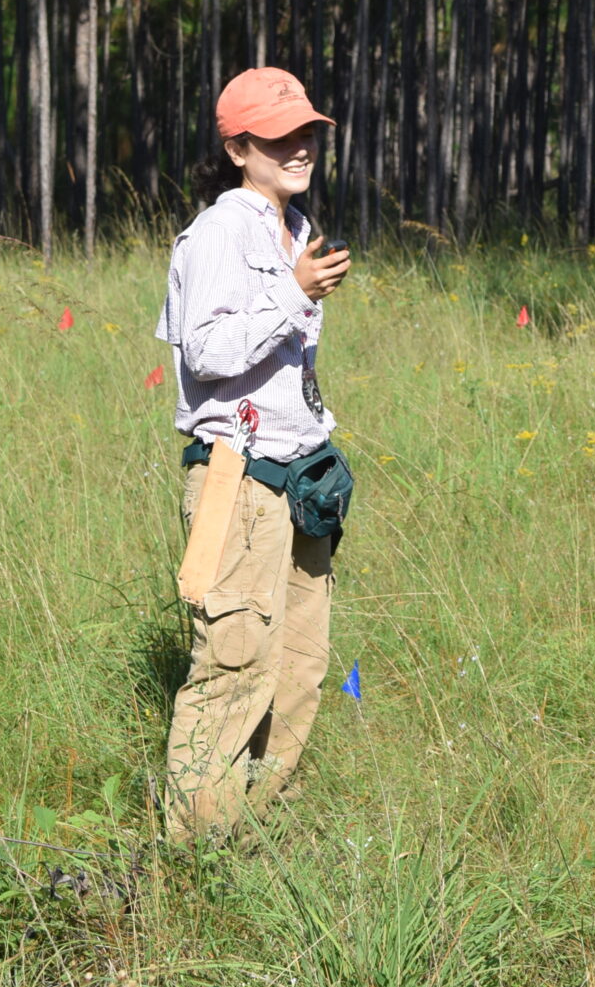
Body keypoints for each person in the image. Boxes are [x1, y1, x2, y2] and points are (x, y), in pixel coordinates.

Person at [153, 66, 353, 843]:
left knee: (298, 667)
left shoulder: (296, 226)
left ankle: (253, 835)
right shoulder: (220, 230)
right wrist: (295, 292)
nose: (299, 146)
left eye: (306, 131)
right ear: (239, 146)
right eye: (278, 136)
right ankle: (195, 854)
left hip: (299, 476)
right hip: (236, 478)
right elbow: (205, 351)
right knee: (234, 664)